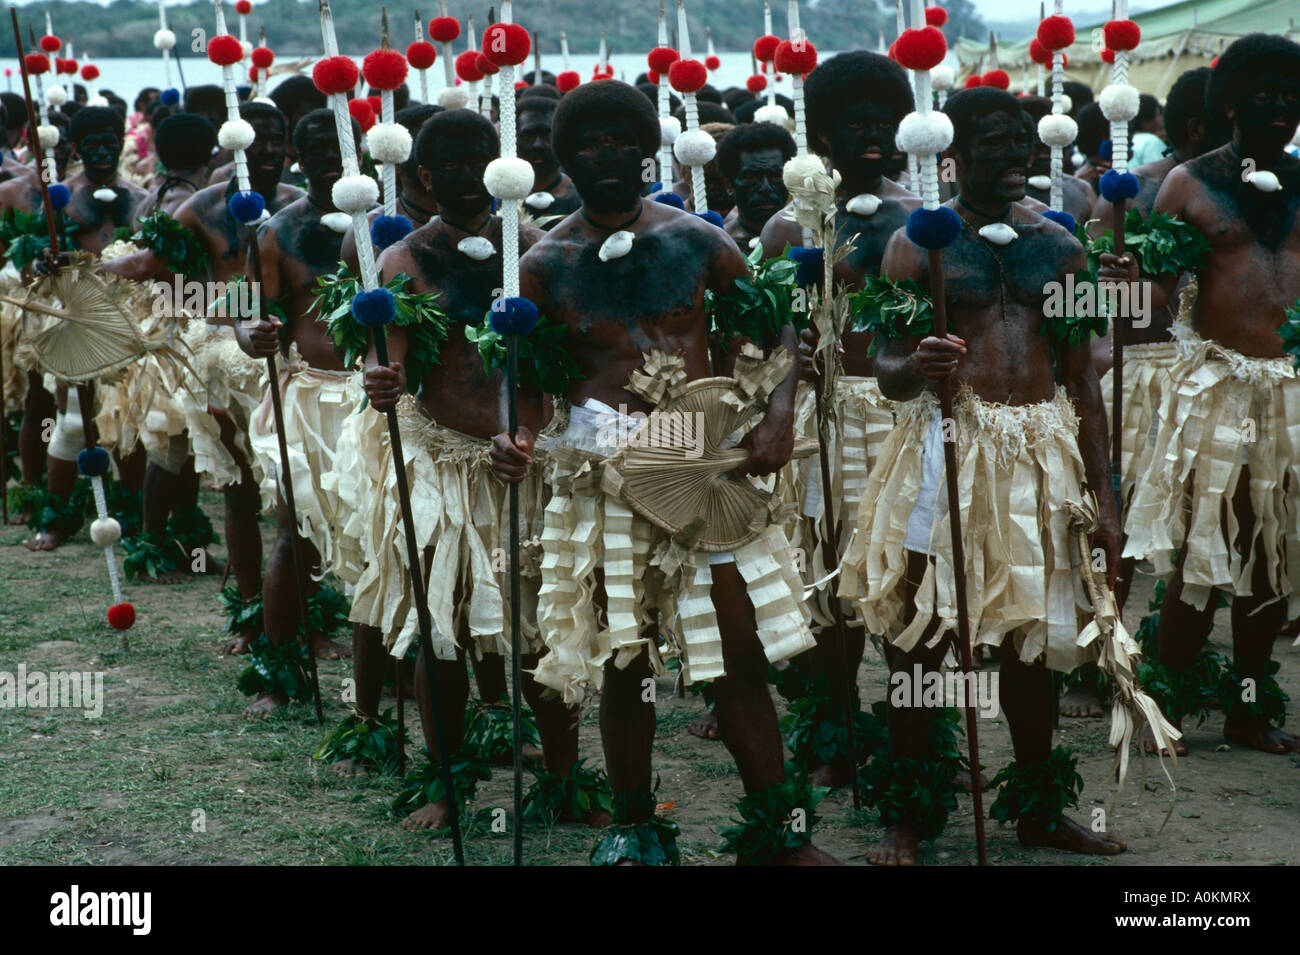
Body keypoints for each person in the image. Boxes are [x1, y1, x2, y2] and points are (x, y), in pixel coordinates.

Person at [491, 80, 837, 865]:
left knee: (739, 654)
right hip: (602, 473)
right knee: (626, 658)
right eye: (591, 144)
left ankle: (780, 838)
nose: (608, 155)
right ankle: (634, 830)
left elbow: (778, 330)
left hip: (702, 459)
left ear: (647, 149)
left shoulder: (699, 241)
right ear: (567, 160)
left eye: (622, 140)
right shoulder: (544, 264)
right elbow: (523, 376)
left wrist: (778, 416)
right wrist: (516, 433)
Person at [840, 86, 1124, 865]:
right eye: (993, 141)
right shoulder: (914, 246)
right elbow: (886, 371)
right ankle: (910, 812)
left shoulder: (1062, 248)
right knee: (920, 635)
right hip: (943, 448)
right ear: (954, 153)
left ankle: (1038, 807)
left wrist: (1104, 500)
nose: (1014, 153)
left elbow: (1083, 380)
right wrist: (919, 363)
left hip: (1037, 451)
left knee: (1032, 633)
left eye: (1021, 139)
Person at [343, 109, 586, 822]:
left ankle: (564, 781)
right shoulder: (405, 260)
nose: (463, 175)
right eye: (445, 164)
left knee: (544, 624)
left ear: (502, 168)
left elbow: (567, 363)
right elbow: (388, 353)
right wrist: (381, 377)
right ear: (423, 175)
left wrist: (531, 438)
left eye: (476, 160)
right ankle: (448, 783)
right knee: (440, 624)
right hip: (443, 463)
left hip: (533, 459)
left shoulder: (540, 250)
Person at [1122, 34, 1300, 757]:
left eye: (1291, 96)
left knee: (1270, 553)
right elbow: (1151, 298)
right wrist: (1121, 285)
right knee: (1204, 552)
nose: (1280, 106)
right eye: (1264, 94)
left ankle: (1247, 709)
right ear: (1229, 103)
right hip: (1217, 387)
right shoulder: (1188, 184)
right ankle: (1163, 703)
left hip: (1290, 393)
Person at [758, 51, 918, 786]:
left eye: (883, 121)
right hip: (821, 414)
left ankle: (919, 741)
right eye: (855, 123)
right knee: (826, 577)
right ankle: (835, 734)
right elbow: (777, 333)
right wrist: (784, 379)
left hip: (902, 412)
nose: (873, 134)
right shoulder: (788, 229)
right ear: (823, 133)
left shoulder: (923, 218)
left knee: (905, 574)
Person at [100, 101, 301, 644]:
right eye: (257, 140)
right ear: (232, 146)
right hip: (222, 356)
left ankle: (301, 618)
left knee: (295, 495)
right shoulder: (203, 207)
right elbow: (146, 263)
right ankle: (252, 613)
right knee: (239, 490)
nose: (270, 150)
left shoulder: (296, 205)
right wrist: (83, 269)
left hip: (289, 360)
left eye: (278, 139)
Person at [237, 109, 362, 716]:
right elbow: (244, 313)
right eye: (319, 150)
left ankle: (389, 673)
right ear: (298, 156)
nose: (333, 159)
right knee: (295, 534)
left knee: (385, 541)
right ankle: (279, 672)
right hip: (309, 398)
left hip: (379, 399)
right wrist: (253, 333)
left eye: (343, 147)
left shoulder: (390, 226)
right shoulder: (277, 233)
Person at [21, 106, 147, 553]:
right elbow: (30, 264)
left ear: (121, 142)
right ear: (75, 148)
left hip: (128, 317)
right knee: (74, 420)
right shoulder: (60, 198)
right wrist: (42, 263)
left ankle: (129, 515)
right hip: (74, 312)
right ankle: (57, 517)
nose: (101, 151)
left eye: (109, 142)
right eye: (90, 144)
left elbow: (152, 260)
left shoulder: (141, 197)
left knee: (127, 418)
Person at [715, 120, 795, 252]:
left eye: (776, 176)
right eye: (751, 177)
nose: (766, 188)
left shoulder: (811, 239)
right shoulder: (721, 246)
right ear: (728, 184)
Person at [1019, 94, 1096, 225]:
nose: (1045, 153)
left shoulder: (1082, 190)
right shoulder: (1002, 196)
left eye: (1052, 146)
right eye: (1037, 145)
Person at [516, 96, 580, 227]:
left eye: (547, 136)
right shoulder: (500, 201)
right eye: (528, 136)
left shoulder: (582, 199)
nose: (537, 145)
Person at [1129, 93, 1167, 167]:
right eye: (1158, 115)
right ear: (1146, 122)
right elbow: (1159, 171)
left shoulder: (1131, 139)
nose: (1161, 119)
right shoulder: (1152, 141)